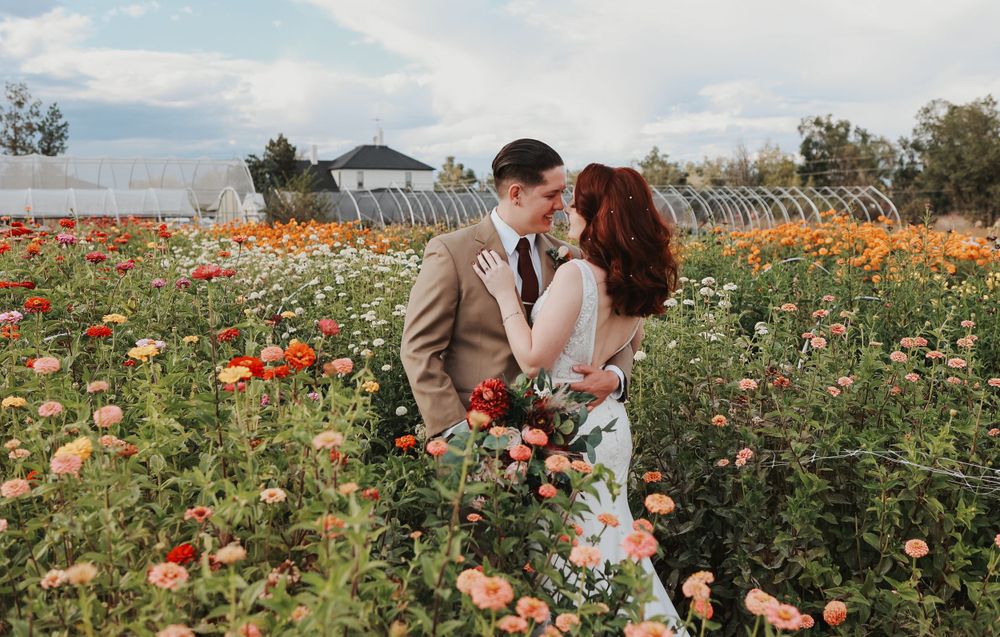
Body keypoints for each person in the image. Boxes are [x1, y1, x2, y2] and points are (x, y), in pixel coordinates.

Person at [473, 162, 684, 626]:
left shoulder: (579, 277)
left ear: (595, 213)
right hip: (609, 424)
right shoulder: (632, 280)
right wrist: (615, 375)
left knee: (573, 548)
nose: (566, 206)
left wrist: (506, 293)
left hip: (575, 432)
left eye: (576, 200)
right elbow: (628, 349)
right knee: (609, 540)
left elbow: (533, 362)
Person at [401, 139, 633, 439]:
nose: (561, 205)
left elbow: (618, 325)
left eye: (563, 193)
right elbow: (419, 350)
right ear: (516, 194)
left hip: (556, 440)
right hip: (477, 435)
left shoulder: (572, 259)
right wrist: (454, 433)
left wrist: (614, 377)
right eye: (551, 194)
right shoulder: (451, 252)